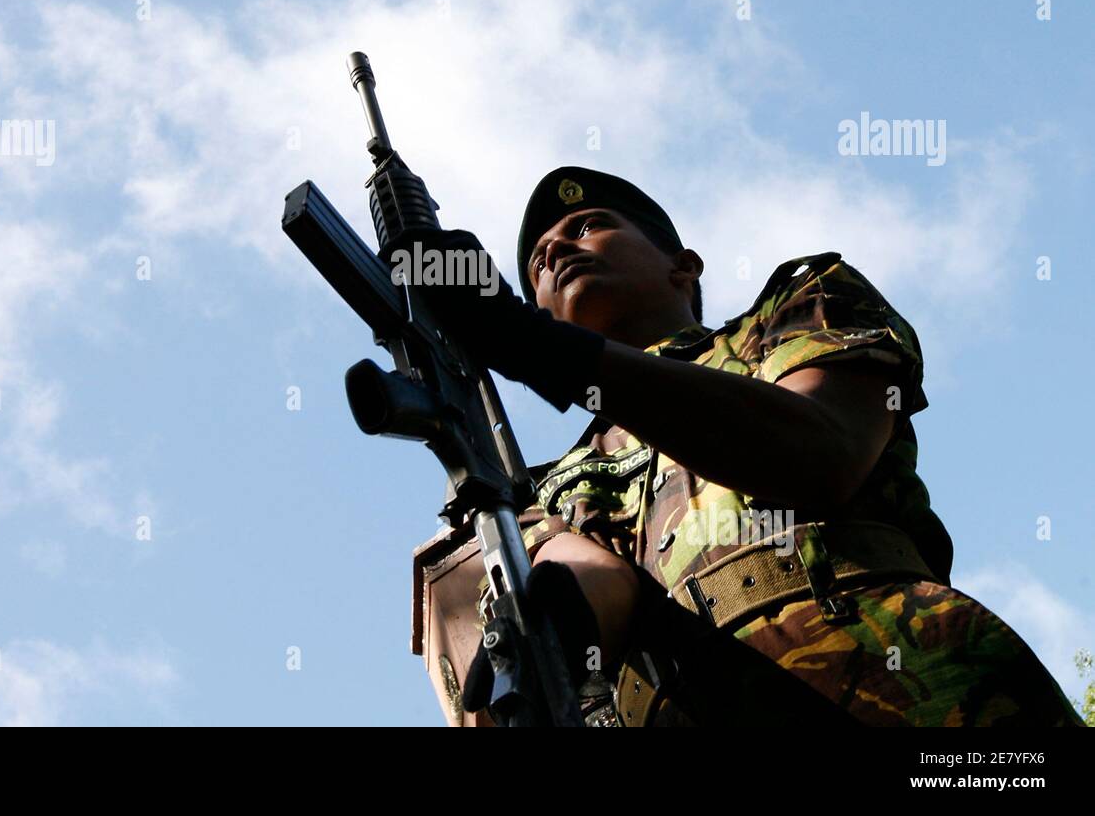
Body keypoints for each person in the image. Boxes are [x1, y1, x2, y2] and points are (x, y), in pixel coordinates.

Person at [389, 165, 1083, 727]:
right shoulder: (559, 483)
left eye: (589, 226)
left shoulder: (793, 309)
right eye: (539, 261)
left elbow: (819, 450)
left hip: (913, 680)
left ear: (682, 267)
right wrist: (549, 625)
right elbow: (592, 579)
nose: (559, 250)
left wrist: (536, 345)